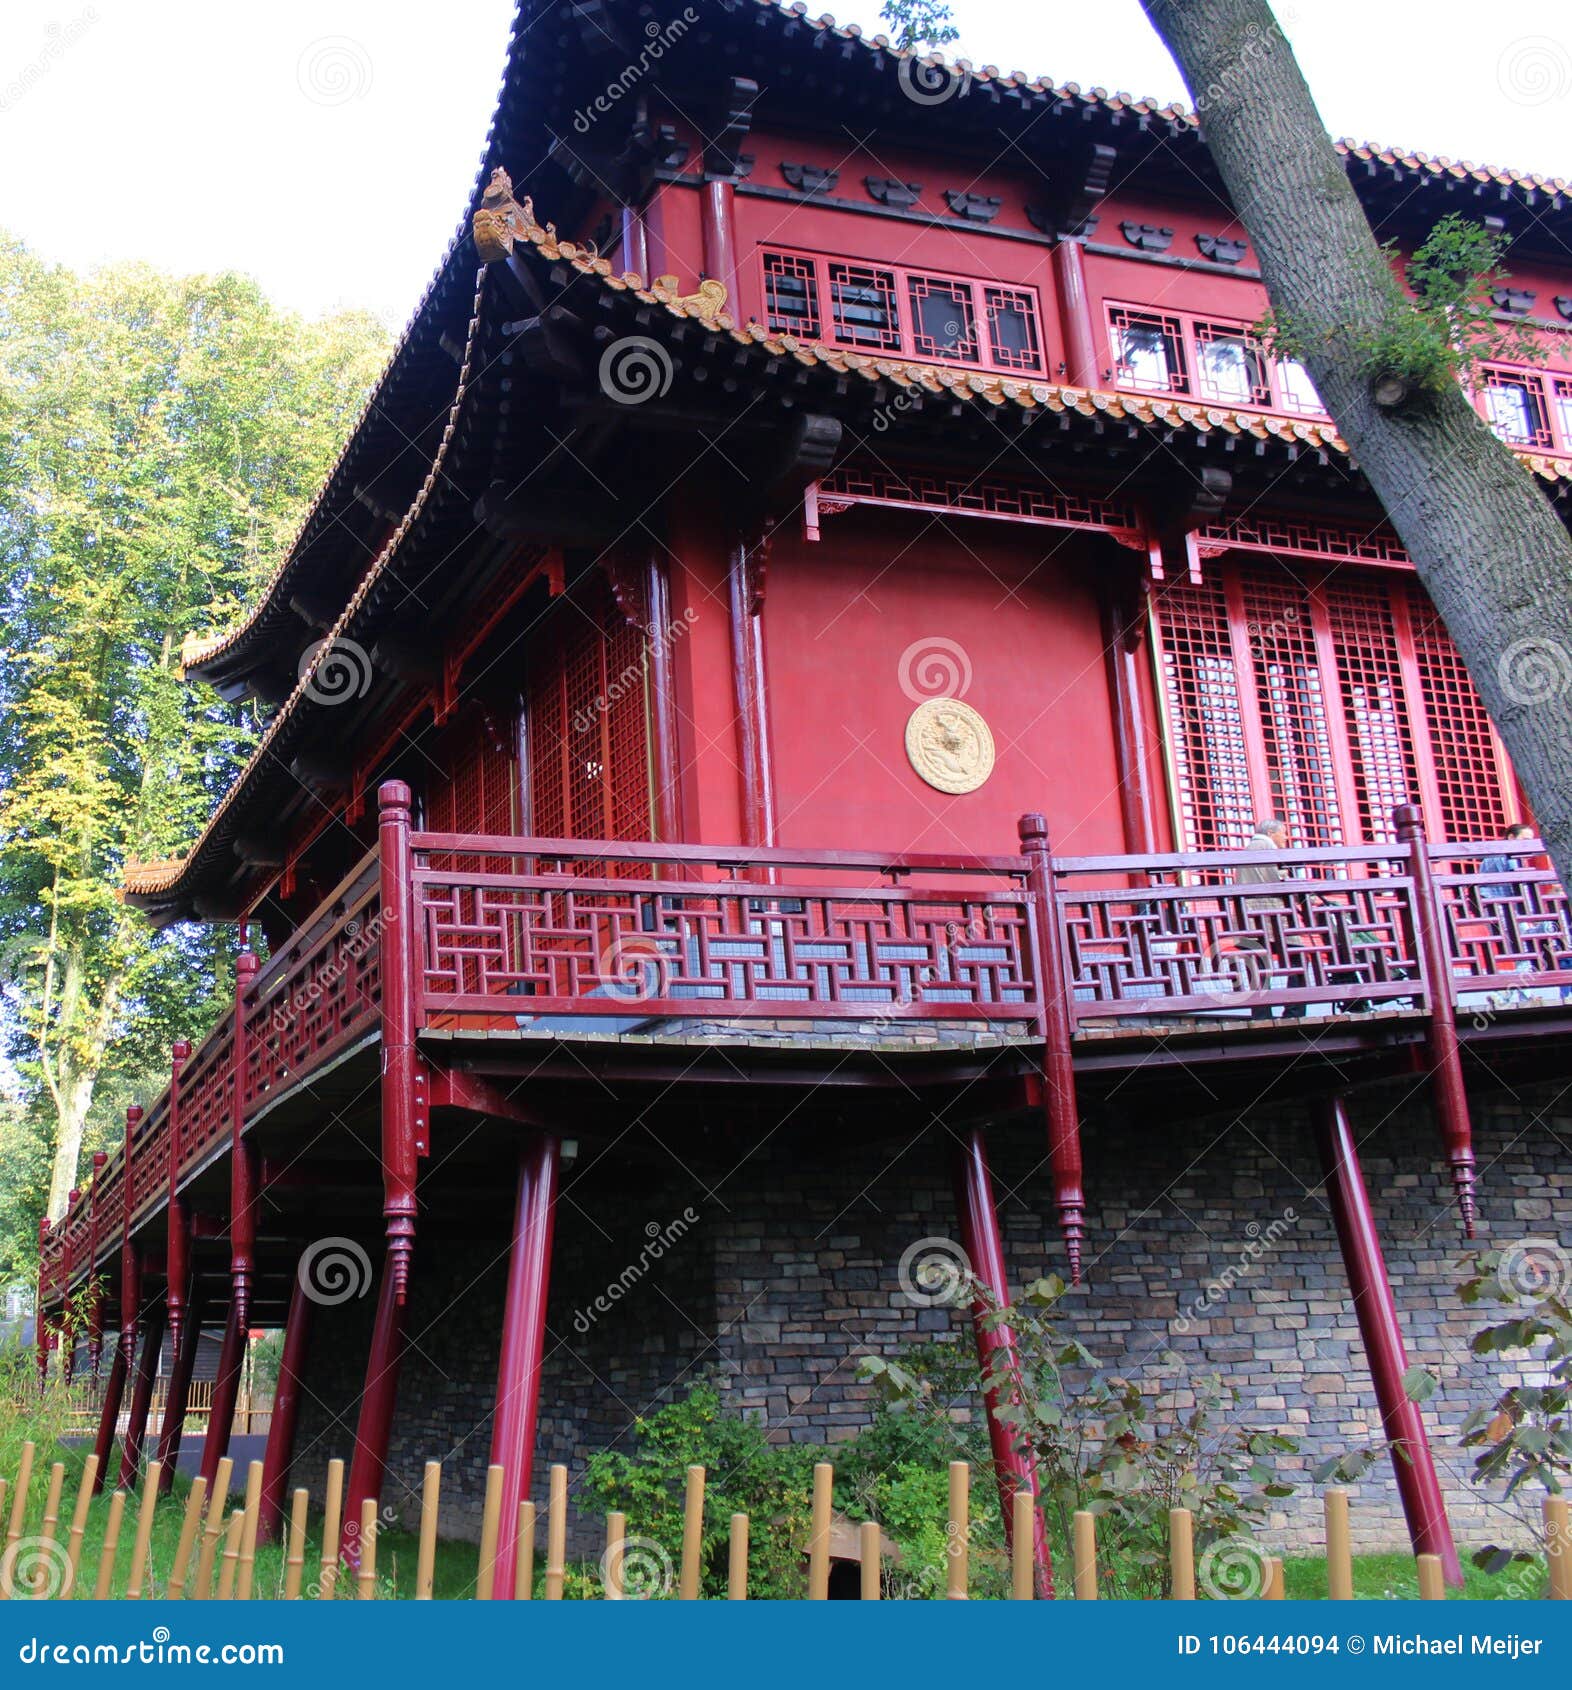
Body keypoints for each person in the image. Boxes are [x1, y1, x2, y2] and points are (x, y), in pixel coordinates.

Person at [1232, 815, 1307, 1019]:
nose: (1285, 839)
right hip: (1275, 916)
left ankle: (1261, 1014)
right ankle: (1294, 1012)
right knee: (1298, 958)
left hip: (1248, 918)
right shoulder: (1268, 848)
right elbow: (1280, 879)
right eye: (1283, 834)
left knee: (1257, 966)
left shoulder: (1245, 851)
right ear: (1270, 833)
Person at [1478, 822, 1536, 903]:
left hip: (1494, 901)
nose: (1529, 845)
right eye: (1525, 840)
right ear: (1511, 837)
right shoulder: (1505, 857)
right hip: (1501, 902)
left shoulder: (1498, 853)